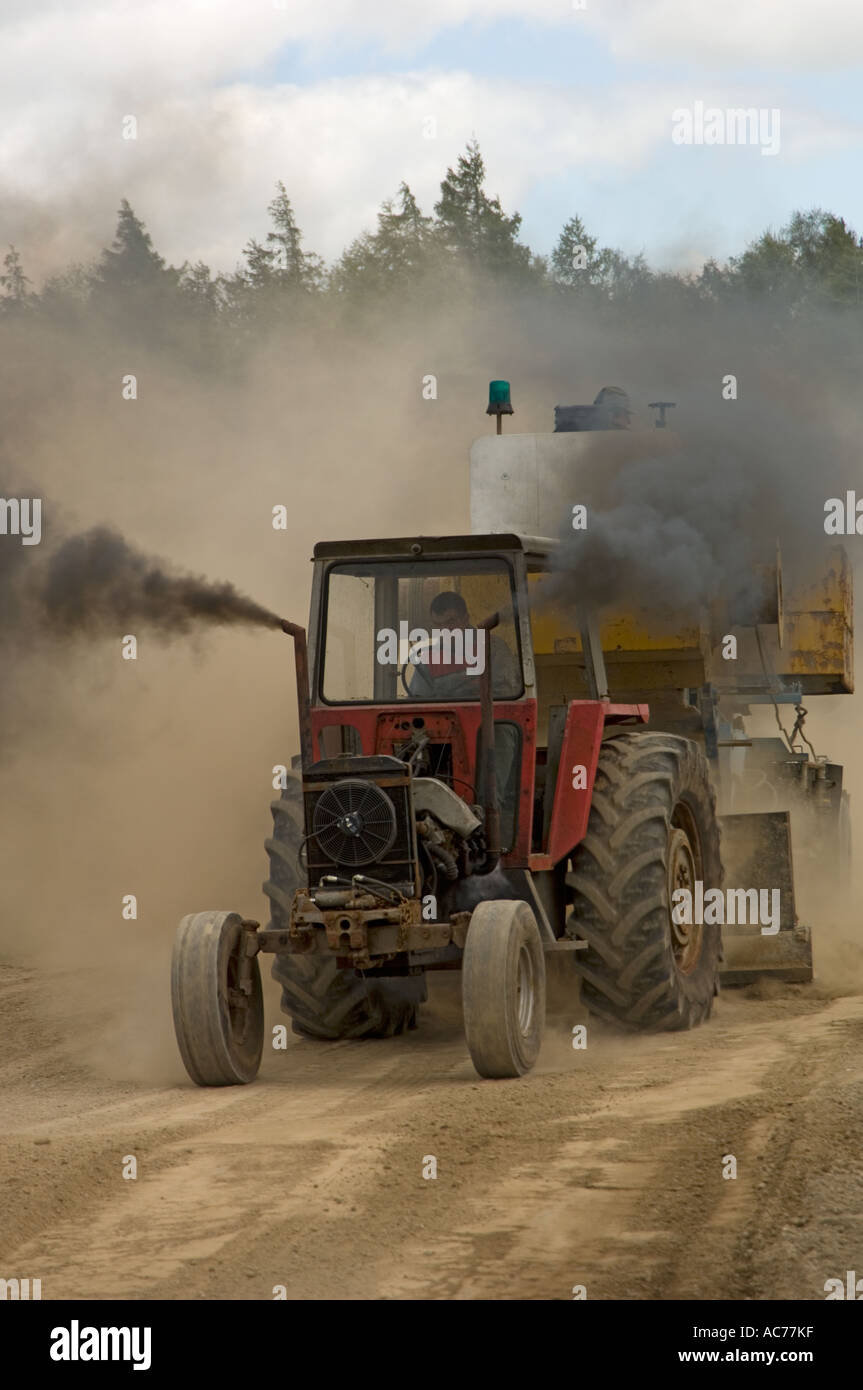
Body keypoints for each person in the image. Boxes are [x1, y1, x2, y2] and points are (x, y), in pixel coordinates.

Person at [406, 590, 521, 849]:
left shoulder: (491, 648)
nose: (445, 631)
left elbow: (505, 689)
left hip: (489, 726)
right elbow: (416, 698)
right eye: (438, 626)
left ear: (466, 618)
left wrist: (454, 690)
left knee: (499, 741)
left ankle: (494, 840)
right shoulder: (429, 657)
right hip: (446, 732)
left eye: (450, 623)